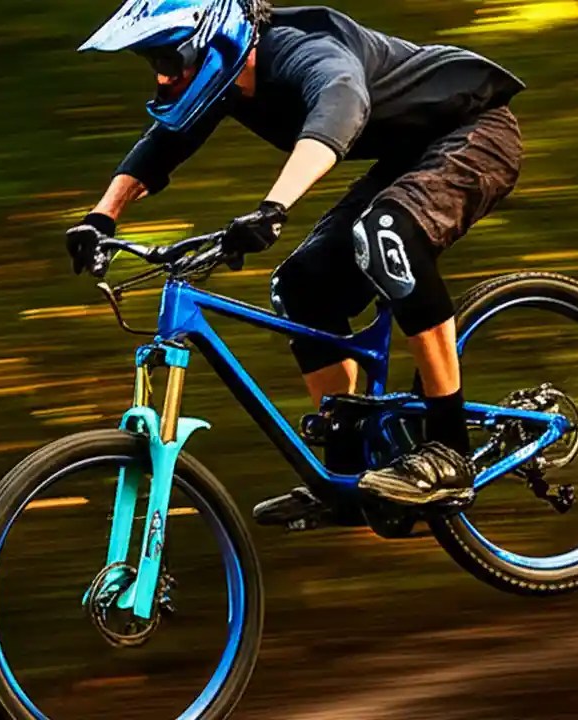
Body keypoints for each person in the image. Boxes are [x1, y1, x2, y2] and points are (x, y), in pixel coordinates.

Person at [66, 0, 524, 522]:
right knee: (300, 285)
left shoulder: (301, 48)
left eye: (170, 61)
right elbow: (164, 143)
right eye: (156, 67)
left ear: (214, 42)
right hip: (410, 153)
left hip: (476, 133)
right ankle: (349, 474)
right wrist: (101, 218)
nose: (164, 80)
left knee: (386, 236)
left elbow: (343, 104)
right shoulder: (225, 84)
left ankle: (448, 449)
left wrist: (273, 209)